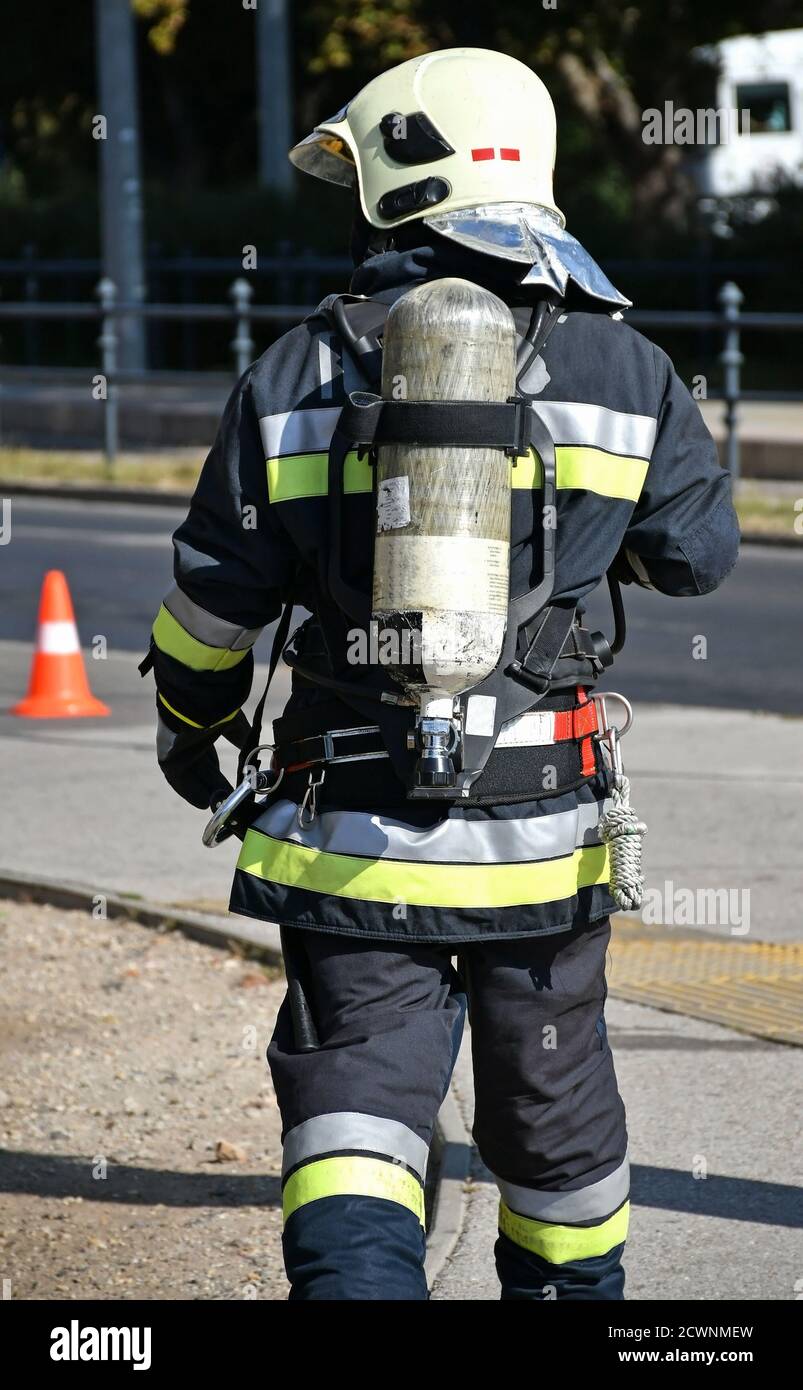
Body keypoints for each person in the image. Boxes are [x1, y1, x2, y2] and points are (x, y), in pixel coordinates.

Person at [143, 48, 740, 1301]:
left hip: (348, 836)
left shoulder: (296, 370)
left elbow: (212, 604)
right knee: (555, 1109)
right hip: (543, 843)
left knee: (358, 1108)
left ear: (396, 182)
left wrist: (187, 727)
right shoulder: (622, 366)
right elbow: (694, 559)